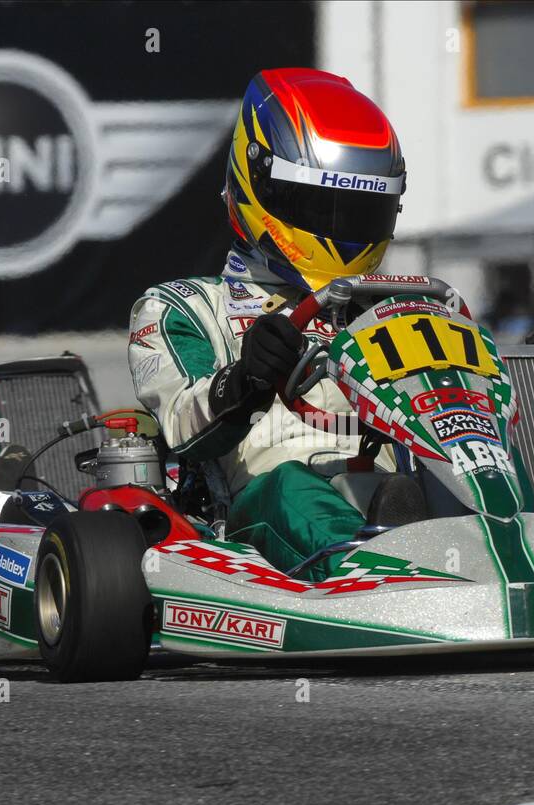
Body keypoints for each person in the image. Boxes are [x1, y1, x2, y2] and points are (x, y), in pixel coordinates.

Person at [127, 68, 409, 578]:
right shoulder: (185, 306)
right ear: (259, 187)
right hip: (256, 506)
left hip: (394, 489)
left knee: (463, 473)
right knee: (291, 488)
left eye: (357, 213)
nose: (336, 229)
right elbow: (180, 427)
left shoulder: (386, 309)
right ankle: (375, 570)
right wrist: (245, 381)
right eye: (320, 208)